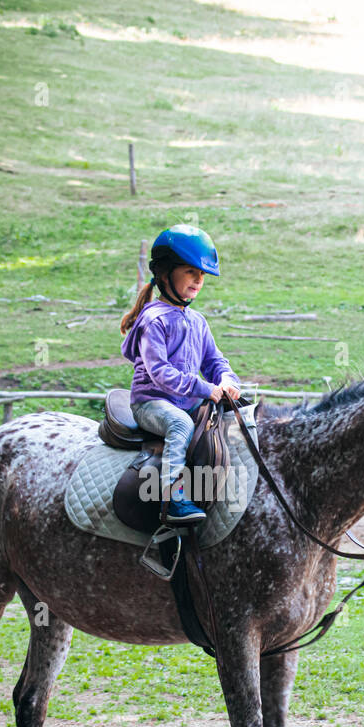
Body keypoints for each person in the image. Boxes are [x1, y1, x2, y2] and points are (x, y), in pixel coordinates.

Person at [119, 224, 241, 526]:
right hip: (152, 403)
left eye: (203, 275)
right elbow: (160, 373)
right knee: (180, 425)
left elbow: (215, 360)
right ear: (164, 274)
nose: (199, 280)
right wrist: (204, 388)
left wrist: (227, 381)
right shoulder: (152, 320)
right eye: (190, 271)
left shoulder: (198, 321)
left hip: (184, 400)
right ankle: (172, 497)